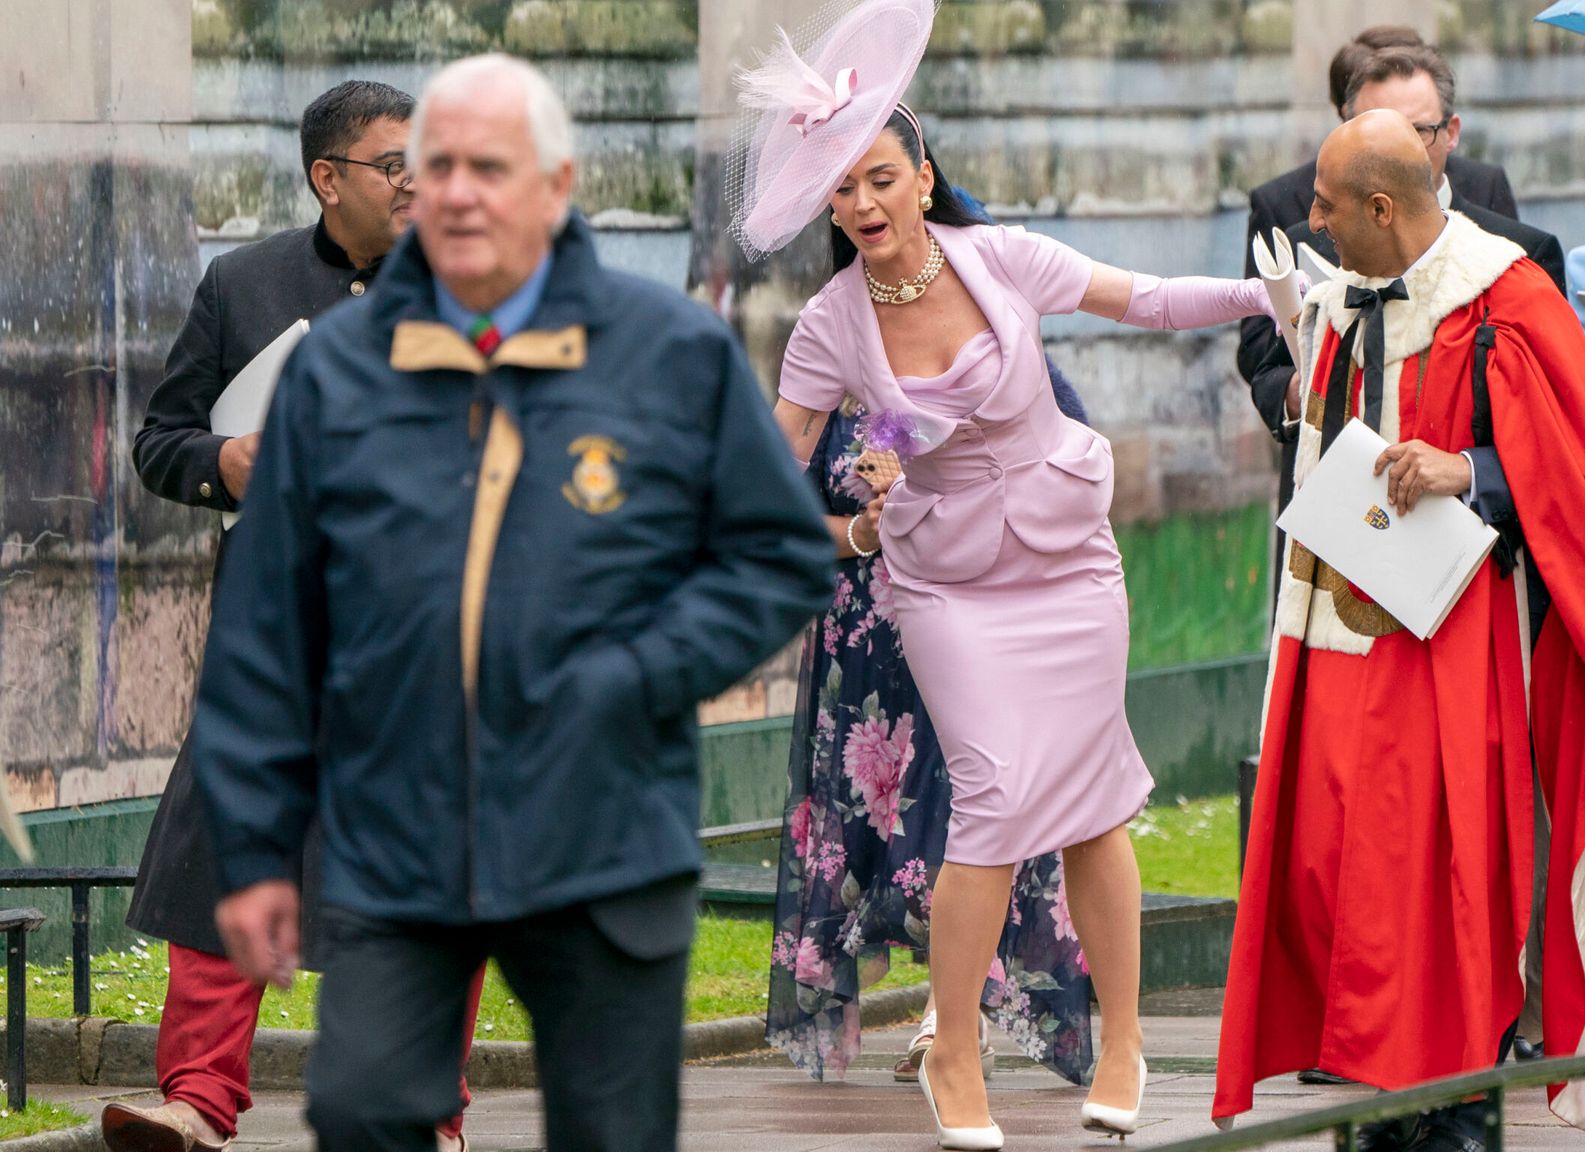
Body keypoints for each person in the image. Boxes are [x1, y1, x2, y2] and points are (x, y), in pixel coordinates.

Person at [191, 54, 835, 1152]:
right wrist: (252, 851)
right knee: (358, 1110)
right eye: (434, 166)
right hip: (397, 842)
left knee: (612, 1134)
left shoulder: (667, 352)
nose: (454, 192)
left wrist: (636, 676)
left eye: (488, 167)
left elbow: (777, 555)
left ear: (555, 185)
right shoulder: (342, 369)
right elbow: (265, 627)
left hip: (603, 836)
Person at [728, 3, 1277, 1144]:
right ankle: (956, 1050)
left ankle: (1122, 1039)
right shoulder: (828, 326)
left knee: (1096, 804)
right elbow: (767, 479)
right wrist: (852, 533)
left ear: (923, 178)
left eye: (882, 178)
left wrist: (1258, 296)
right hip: (945, 585)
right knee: (986, 796)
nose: (865, 204)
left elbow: (1144, 299)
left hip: (1070, 563)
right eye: (843, 189)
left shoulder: (1003, 258)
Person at [1215, 110, 1585, 1147]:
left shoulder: (1506, 298)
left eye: (1327, 207)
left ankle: (1461, 1097)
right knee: (1336, 861)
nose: (1312, 222)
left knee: (1443, 864)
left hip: (1459, 631)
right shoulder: (1340, 300)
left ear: (1382, 207)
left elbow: (1580, 466)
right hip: (1337, 621)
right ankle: (1382, 1087)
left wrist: (1467, 468)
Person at [118, 79, 480, 1152]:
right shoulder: (242, 283)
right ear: (329, 178)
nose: (417, 183)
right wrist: (223, 461)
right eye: (395, 165)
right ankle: (196, 1101)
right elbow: (160, 444)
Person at [766, 210, 1096, 1085]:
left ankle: (951, 1017)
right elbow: (777, 510)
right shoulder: (827, 349)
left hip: (975, 618)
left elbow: (1057, 453)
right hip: (866, 648)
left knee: (969, 816)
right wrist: (862, 532)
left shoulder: (994, 342)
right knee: (881, 840)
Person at [1239, 40, 1566, 562]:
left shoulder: (1514, 261)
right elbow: (1262, 360)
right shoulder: (1310, 238)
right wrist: (1305, 392)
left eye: (1415, 131)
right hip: (1330, 531)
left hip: (1463, 550)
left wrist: (1468, 468)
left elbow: (1559, 439)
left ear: (1450, 132)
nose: (1393, 152)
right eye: (1372, 130)